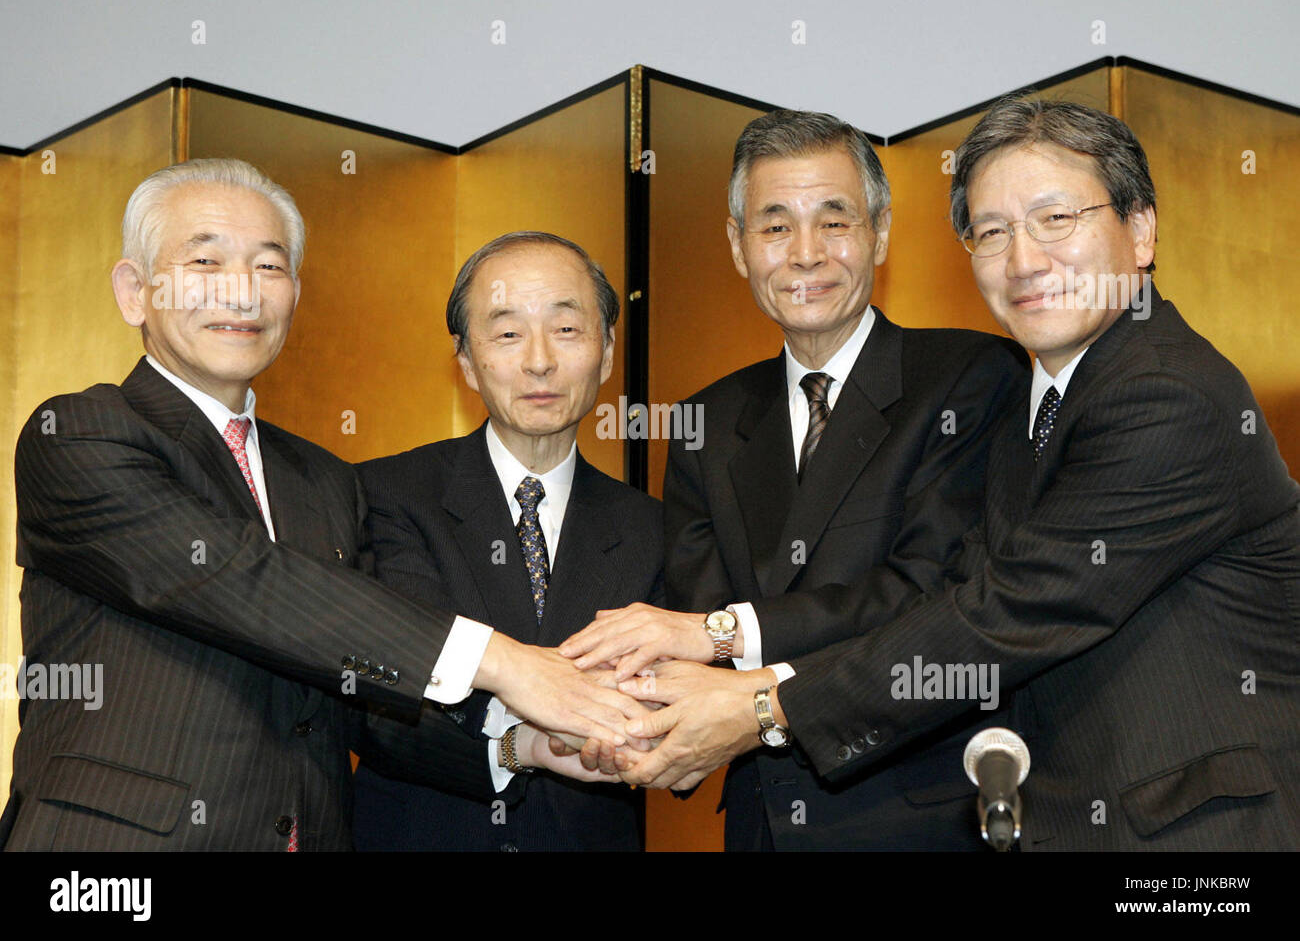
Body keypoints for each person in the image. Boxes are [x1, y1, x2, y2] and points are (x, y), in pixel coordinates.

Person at [617, 99, 1300, 850]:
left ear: (1140, 229)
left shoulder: (1164, 393)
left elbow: (1006, 614)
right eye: (993, 231)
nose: (1025, 259)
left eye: (1055, 219)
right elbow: (960, 595)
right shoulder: (1040, 400)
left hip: (1193, 840)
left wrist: (761, 704)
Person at [0, 159, 641, 851]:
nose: (242, 292)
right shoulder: (77, 433)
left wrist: (523, 748)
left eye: (268, 267)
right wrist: (505, 661)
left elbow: (364, 696)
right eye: (206, 259)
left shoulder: (325, 479)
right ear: (135, 292)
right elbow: (244, 582)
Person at [561, 110, 1028, 850]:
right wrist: (622, 724)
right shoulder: (703, 424)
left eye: (833, 221)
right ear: (738, 247)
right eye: (775, 226)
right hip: (767, 820)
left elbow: (930, 597)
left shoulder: (970, 376)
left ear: (879, 232)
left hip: (921, 812)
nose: (805, 254)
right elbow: (695, 653)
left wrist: (724, 641)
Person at [353, 232, 663, 851]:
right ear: (466, 361)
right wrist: (527, 743)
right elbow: (381, 701)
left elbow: (668, 705)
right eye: (507, 333)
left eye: (567, 329)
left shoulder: (653, 526)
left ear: (606, 355)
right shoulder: (386, 493)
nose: (540, 361)